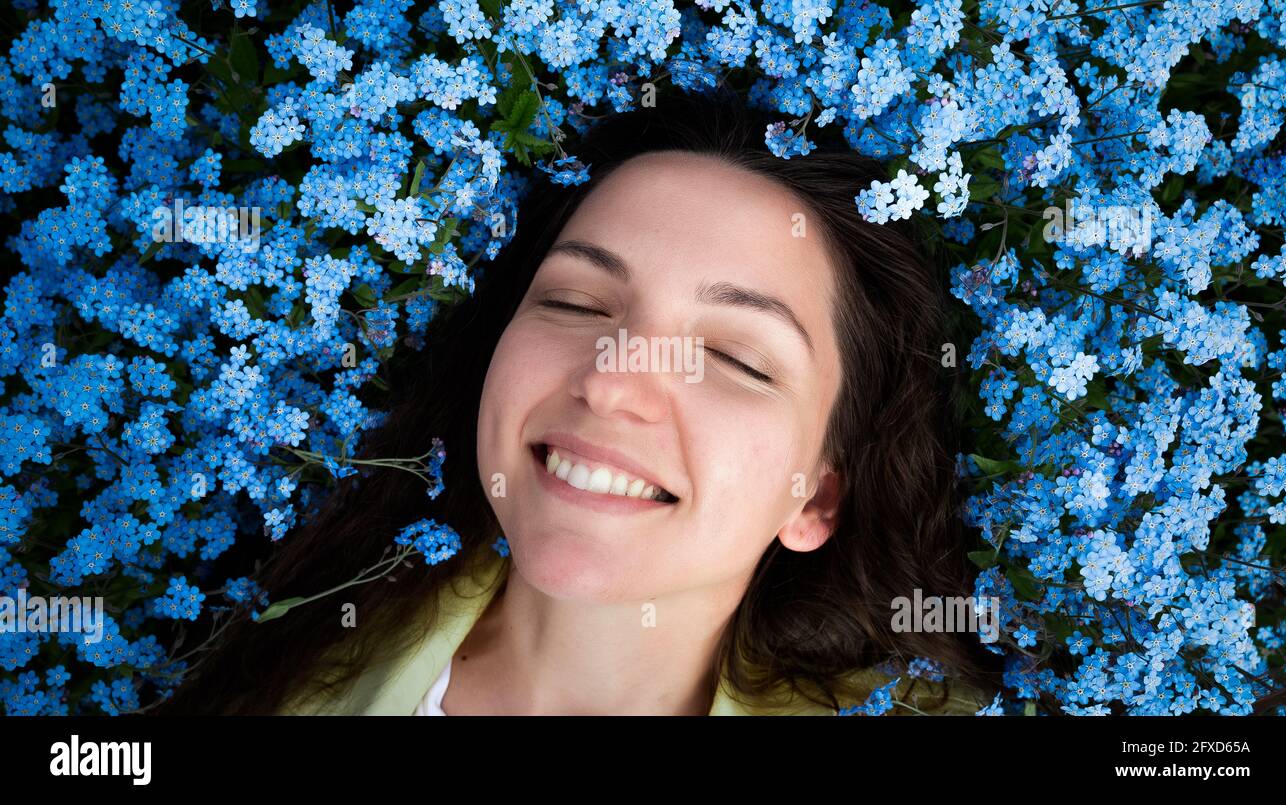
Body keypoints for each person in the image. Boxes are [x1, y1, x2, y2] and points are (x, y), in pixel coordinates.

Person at [160, 86, 1002, 716]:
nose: (610, 379)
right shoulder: (243, 664)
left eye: (732, 356)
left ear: (816, 494)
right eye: (576, 303)